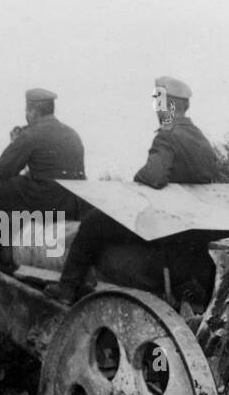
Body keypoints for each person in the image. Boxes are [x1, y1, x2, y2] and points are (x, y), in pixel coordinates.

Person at [46, 76, 218, 304]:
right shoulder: (201, 140)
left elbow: (153, 177)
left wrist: (139, 178)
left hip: (161, 222)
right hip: (186, 228)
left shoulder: (167, 135)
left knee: (92, 222)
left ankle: (67, 289)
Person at [0, 88, 86, 219]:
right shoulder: (72, 133)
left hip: (47, 200)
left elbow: (2, 171)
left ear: (33, 112)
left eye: (27, 111)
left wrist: (14, 142)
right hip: (72, 201)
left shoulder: (31, 134)